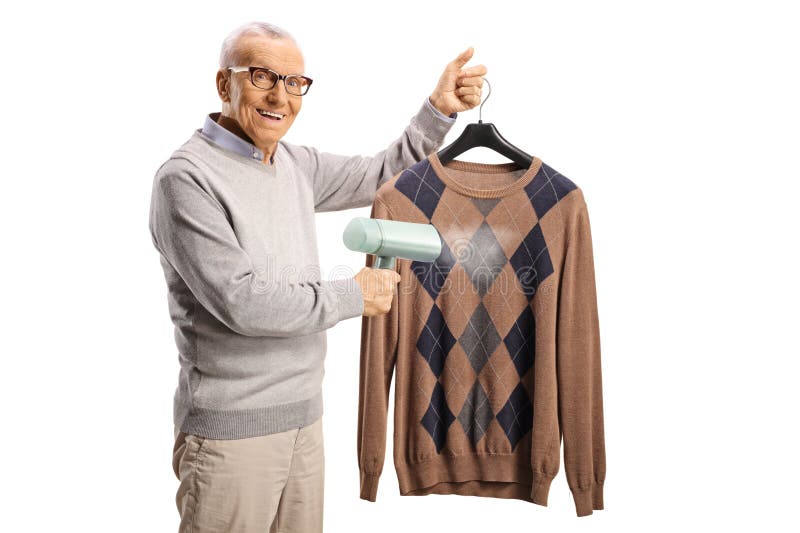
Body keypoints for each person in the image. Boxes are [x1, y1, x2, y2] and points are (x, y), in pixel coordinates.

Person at [148, 21, 486, 533]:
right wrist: (354, 295)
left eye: (294, 82)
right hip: (231, 440)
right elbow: (243, 302)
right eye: (262, 76)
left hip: (305, 421)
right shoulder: (186, 178)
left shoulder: (293, 164)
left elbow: (384, 173)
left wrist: (438, 113)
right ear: (225, 84)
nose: (280, 96)